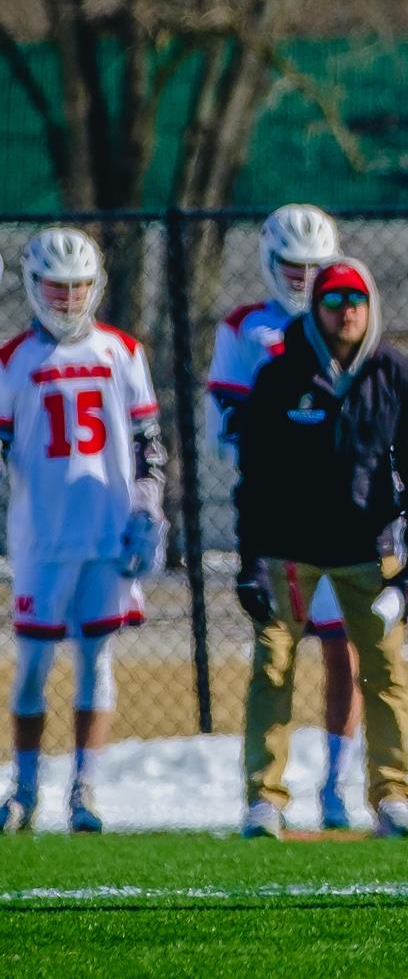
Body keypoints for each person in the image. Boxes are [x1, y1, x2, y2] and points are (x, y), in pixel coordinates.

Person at [233, 258, 408, 841]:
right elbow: (254, 475)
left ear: (370, 305)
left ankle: (392, 795)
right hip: (287, 552)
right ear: (314, 308)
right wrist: (249, 563)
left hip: (368, 551)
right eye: (332, 300)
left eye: (355, 299)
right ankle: (263, 799)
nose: (345, 310)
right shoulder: (279, 375)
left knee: (384, 670)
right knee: (272, 667)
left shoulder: (397, 373)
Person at [0, 230, 167, 834]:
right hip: (42, 539)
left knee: (98, 662)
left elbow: (149, 444)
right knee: (34, 667)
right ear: (33, 285)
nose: (68, 300)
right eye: (55, 287)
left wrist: (148, 508)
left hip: (105, 534)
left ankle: (84, 790)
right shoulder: (14, 358)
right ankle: (22, 790)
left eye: (77, 288)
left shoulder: (122, 351)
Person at [205, 203, 362, 829]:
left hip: (345, 517)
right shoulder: (245, 328)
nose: (302, 279)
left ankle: (337, 784)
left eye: (314, 268)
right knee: (275, 656)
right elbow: (229, 424)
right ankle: (265, 794)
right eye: (291, 267)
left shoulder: (352, 323)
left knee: (342, 653)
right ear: (269, 264)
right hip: (278, 517)